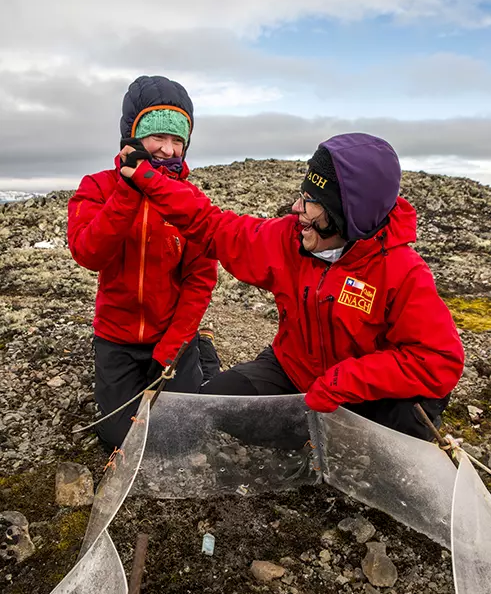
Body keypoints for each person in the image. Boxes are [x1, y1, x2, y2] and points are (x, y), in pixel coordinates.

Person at [117, 132, 465, 441]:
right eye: (302, 195)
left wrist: (343, 381)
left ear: (347, 212)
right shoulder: (290, 239)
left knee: (406, 432)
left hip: (366, 395)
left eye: (311, 200)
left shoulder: (402, 271)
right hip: (293, 371)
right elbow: (213, 227)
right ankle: (302, 425)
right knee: (217, 408)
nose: (297, 208)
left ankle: (334, 434)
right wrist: (150, 179)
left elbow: (438, 361)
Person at [68, 75, 219, 449]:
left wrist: (172, 347)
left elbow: (200, 280)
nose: (168, 150)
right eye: (158, 137)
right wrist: (130, 190)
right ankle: (191, 352)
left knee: (183, 435)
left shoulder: (190, 199)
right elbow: (88, 253)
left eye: (178, 140)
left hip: (168, 334)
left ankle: (199, 347)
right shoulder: (98, 188)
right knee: (121, 438)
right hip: (115, 337)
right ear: (132, 136)